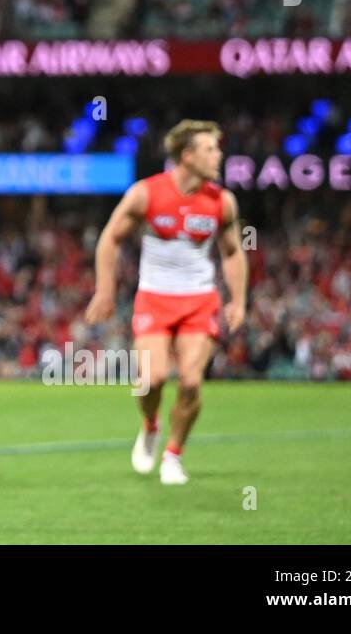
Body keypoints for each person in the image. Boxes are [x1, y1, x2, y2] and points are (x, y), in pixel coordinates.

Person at [85, 119, 247, 485]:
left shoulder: (222, 201)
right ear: (186, 156)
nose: (218, 155)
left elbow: (233, 252)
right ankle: (150, 425)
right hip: (154, 299)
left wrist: (238, 300)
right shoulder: (147, 193)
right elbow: (110, 238)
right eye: (210, 149)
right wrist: (106, 290)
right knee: (152, 379)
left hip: (200, 300)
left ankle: (173, 455)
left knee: (191, 382)